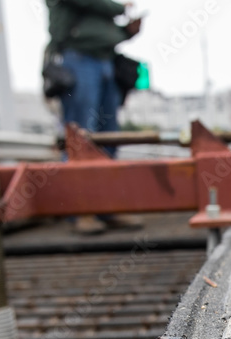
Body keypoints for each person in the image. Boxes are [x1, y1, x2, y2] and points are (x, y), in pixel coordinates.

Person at [46, 0, 142, 234]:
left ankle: (106, 208)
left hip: (105, 58)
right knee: (80, 137)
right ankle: (81, 211)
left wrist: (124, 32)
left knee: (108, 138)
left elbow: (99, 23)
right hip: (78, 58)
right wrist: (120, 8)